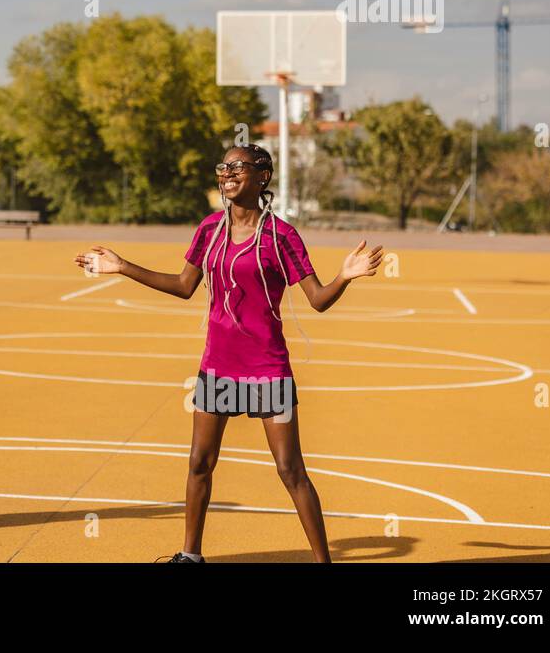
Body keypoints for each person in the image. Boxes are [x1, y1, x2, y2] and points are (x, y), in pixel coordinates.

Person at [74, 143, 382, 563]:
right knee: (199, 463)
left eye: (239, 166)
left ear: (263, 176)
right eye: (224, 166)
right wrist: (123, 266)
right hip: (218, 368)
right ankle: (190, 556)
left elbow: (317, 299)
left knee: (291, 471)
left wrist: (344, 277)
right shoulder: (209, 229)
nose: (228, 173)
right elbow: (184, 286)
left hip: (267, 370)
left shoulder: (281, 235)